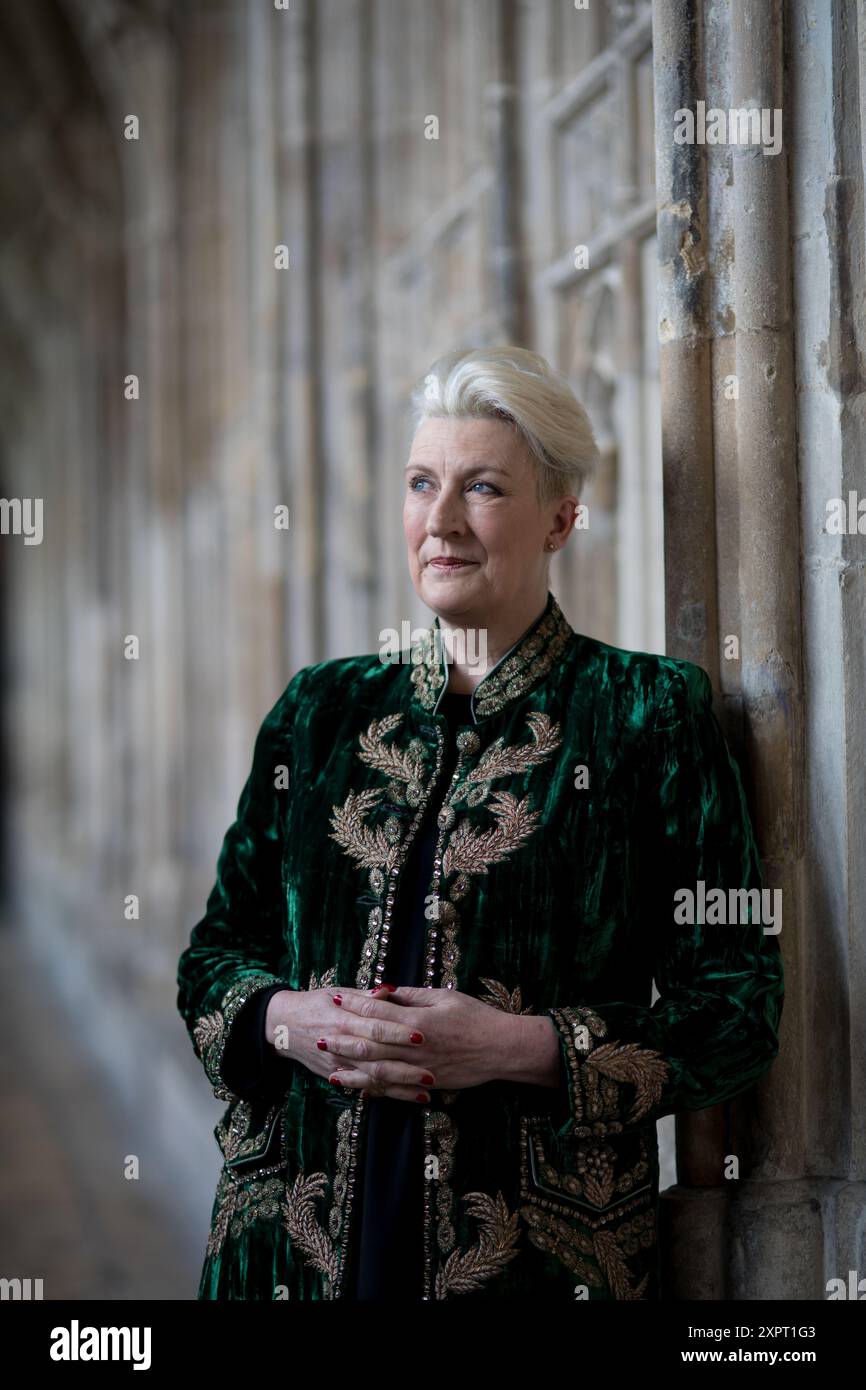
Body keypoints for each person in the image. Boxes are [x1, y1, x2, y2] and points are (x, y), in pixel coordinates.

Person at [176, 345, 784, 1301]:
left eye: (484, 488)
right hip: (290, 1251)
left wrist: (514, 1046)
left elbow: (737, 1008)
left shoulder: (647, 714)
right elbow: (215, 958)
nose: (442, 521)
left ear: (561, 518)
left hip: (540, 1264)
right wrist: (284, 1019)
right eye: (422, 484)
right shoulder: (319, 711)